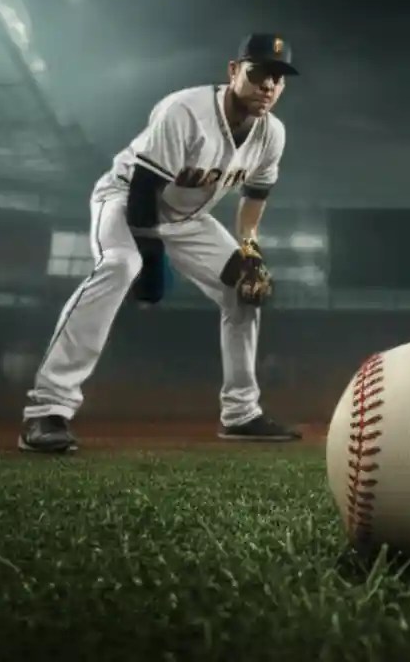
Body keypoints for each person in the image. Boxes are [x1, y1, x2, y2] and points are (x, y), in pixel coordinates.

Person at [18, 33, 303, 453]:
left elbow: (254, 199)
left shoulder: (271, 134)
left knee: (242, 290)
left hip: (188, 219)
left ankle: (241, 413)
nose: (268, 85)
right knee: (120, 265)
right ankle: (47, 409)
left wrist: (250, 250)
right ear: (233, 70)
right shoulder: (185, 110)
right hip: (125, 196)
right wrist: (149, 254)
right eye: (260, 72)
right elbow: (143, 187)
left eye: (278, 78)